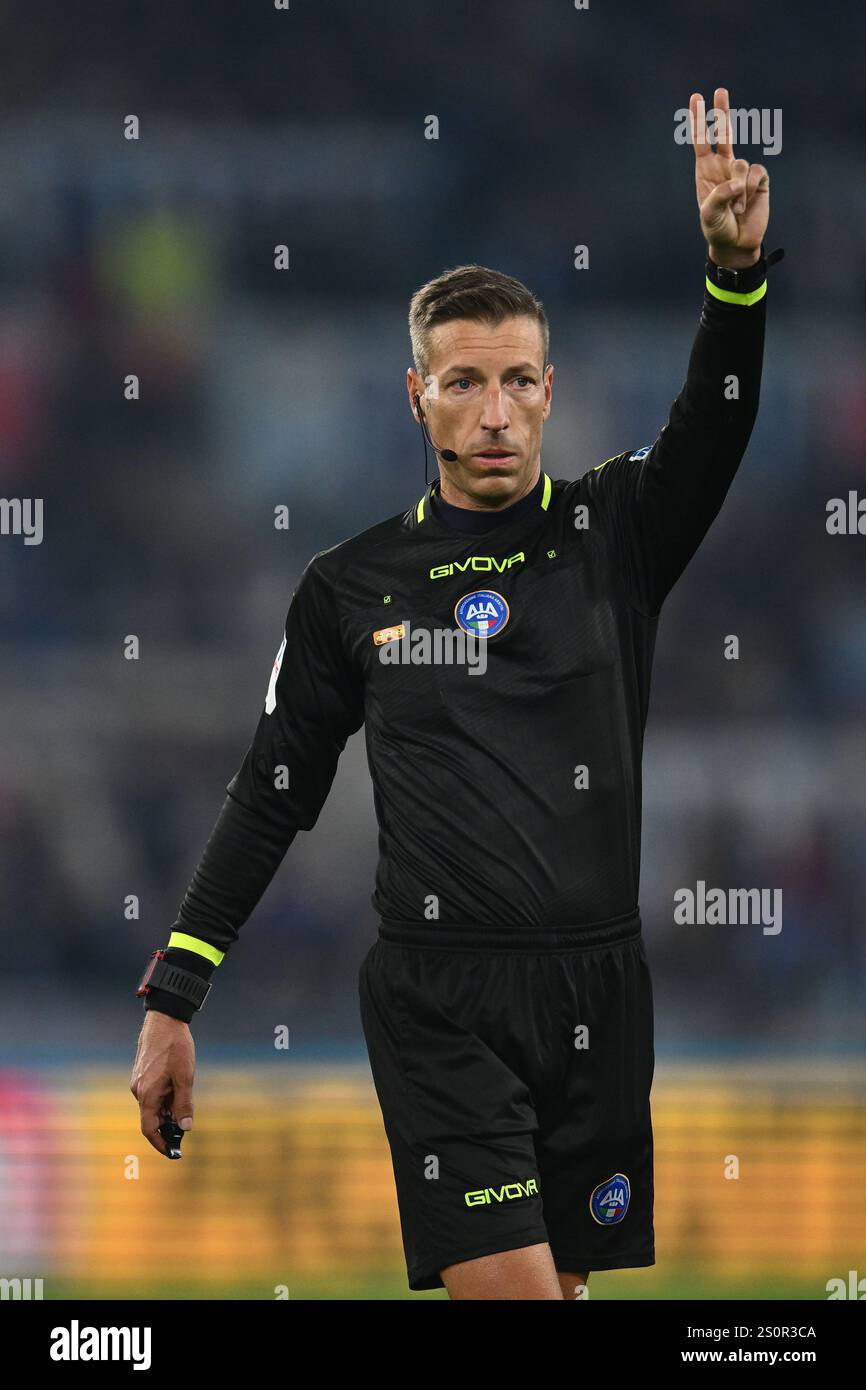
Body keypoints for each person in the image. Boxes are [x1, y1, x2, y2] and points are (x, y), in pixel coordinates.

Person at [131, 88, 777, 1300]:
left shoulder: (614, 532)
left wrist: (732, 281)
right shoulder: (349, 585)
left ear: (550, 389)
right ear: (414, 396)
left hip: (596, 986)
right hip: (441, 996)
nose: (495, 411)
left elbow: (713, 430)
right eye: (465, 381)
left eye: (519, 381)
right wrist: (176, 993)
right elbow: (273, 790)